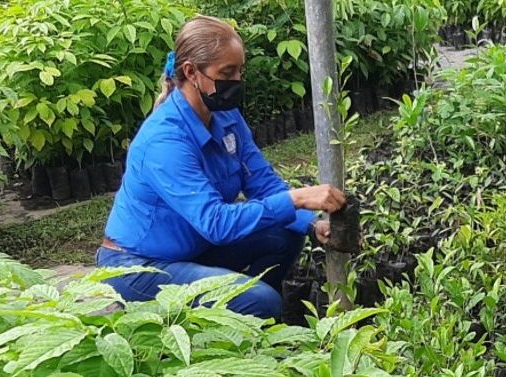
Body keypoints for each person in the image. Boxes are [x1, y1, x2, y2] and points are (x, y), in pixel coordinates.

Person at [96, 15, 345, 321]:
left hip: (193, 249)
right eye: (227, 72)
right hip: (138, 266)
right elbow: (216, 222)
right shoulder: (164, 141)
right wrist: (296, 198)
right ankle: (234, 321)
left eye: (240, 71)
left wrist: (311, 223)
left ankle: (233, 319)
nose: (237, 81)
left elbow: (262, 182)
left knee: (285, 232)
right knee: (260, 300)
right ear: (191, 72)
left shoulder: (226, 117)